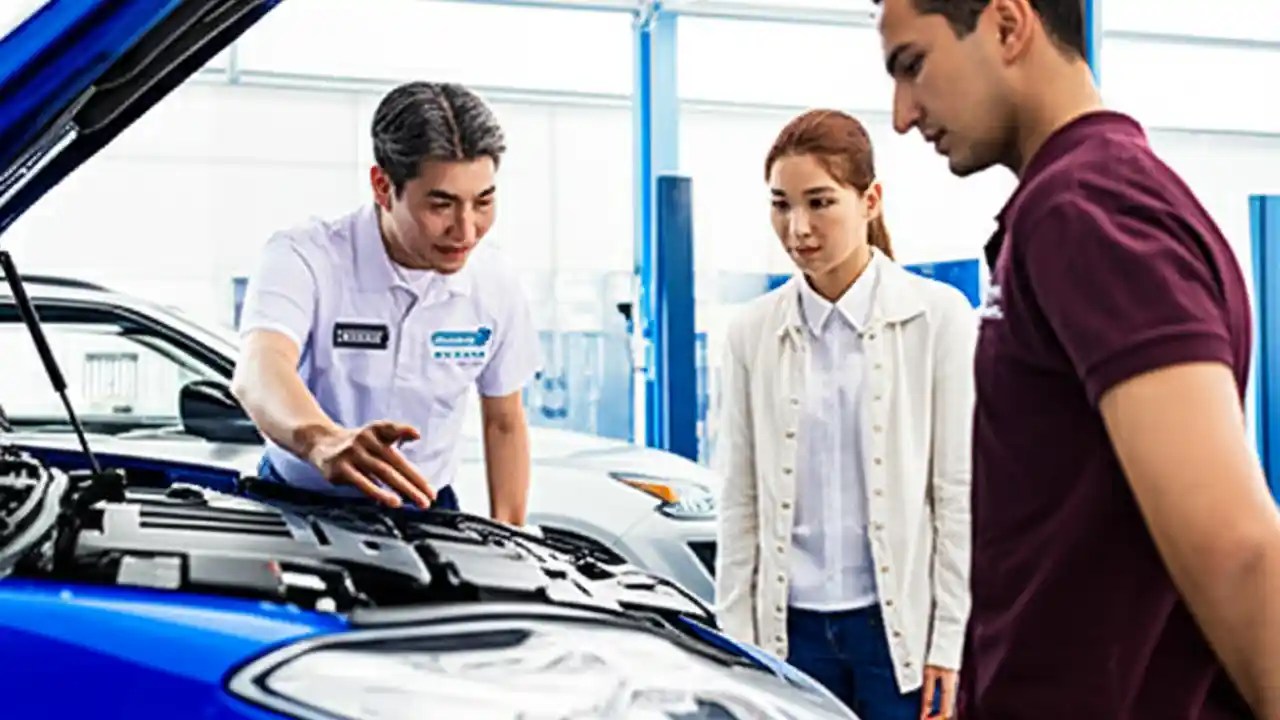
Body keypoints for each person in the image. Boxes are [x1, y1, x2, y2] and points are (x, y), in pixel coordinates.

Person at [874, 0, 1280, 718]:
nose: (903, 114)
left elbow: (1237, 548)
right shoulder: (1068, 206)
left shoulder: (1089, 207)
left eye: (913, 66)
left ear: (1006, 25)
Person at [714, 108, 976, 720]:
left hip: (898, 636)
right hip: (790, 636)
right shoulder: (752, 332)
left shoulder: (938, 317)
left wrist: (950, 641)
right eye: (781, 204)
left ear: (871, 200)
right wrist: (736, 643)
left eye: (820, 202)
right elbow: (739, 500)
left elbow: (957, 493)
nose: (798, 227)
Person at [231, 81, 540, 526]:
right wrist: (322, 440)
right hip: (296, 502)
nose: (466, 230)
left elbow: (505, 421)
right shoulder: (304, 256)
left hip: (426, 511)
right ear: (382, 185)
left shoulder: (495, 281)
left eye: (483, 202)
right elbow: (260, 370)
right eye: (441, 204)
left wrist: (512, 540)